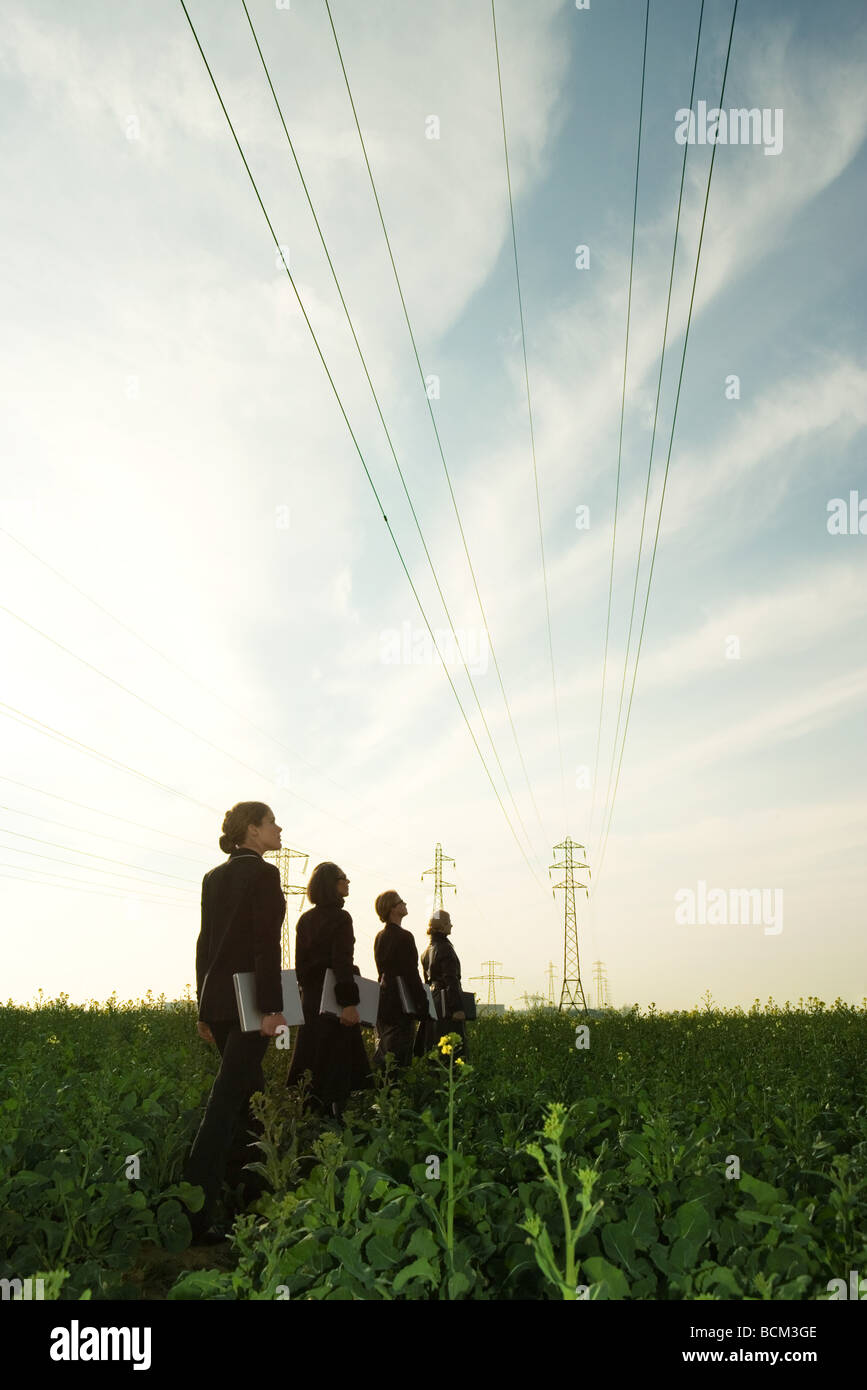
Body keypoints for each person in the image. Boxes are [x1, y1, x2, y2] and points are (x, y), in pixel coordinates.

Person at [184, 801, 287, 1244]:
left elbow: (205, 944)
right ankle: (193, 1211)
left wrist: (204, 1008)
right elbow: (266, 944)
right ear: (251, 830)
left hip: (221, 1002)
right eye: (271, 823)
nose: (279, 829)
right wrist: (270, 1008)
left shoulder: (213, 877)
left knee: (251, 1097)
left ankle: (248, 1195)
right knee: (226, 1102)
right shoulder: (263, 875)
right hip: (249, 1004)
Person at [286, 861, 371, 1117]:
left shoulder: (305, 920)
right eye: (343, 878)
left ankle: (311, 1125)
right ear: (331, 885)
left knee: (313, 1063)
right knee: (338, 1067)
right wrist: (348, 1003)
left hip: (311, 999)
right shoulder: (341, 918)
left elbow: (300, 967)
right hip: (334, 999)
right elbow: (342, 962)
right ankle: (336, 1130)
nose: (348, 882)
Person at [371, 890, 429, 1071]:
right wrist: (422, 1004)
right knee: (400, 1056)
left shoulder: (380, 937)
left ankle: (382, 1089)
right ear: (392, 909)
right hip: (402, 1004)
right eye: (400, 902)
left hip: (384, 1000)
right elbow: (411, 973)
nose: (405, 904)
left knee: (384, 1051)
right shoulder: (405, 936)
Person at [415, 908, 469, 1060]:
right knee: (454, 1052)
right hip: (447, 1005)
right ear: (442, 926)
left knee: (435, 1047)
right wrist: (457, 1008)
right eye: (449, 922)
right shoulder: (445, 948)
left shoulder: (426, 951)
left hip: (433, 1004)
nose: (451, 925)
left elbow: (426, 981)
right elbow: (451, 979)